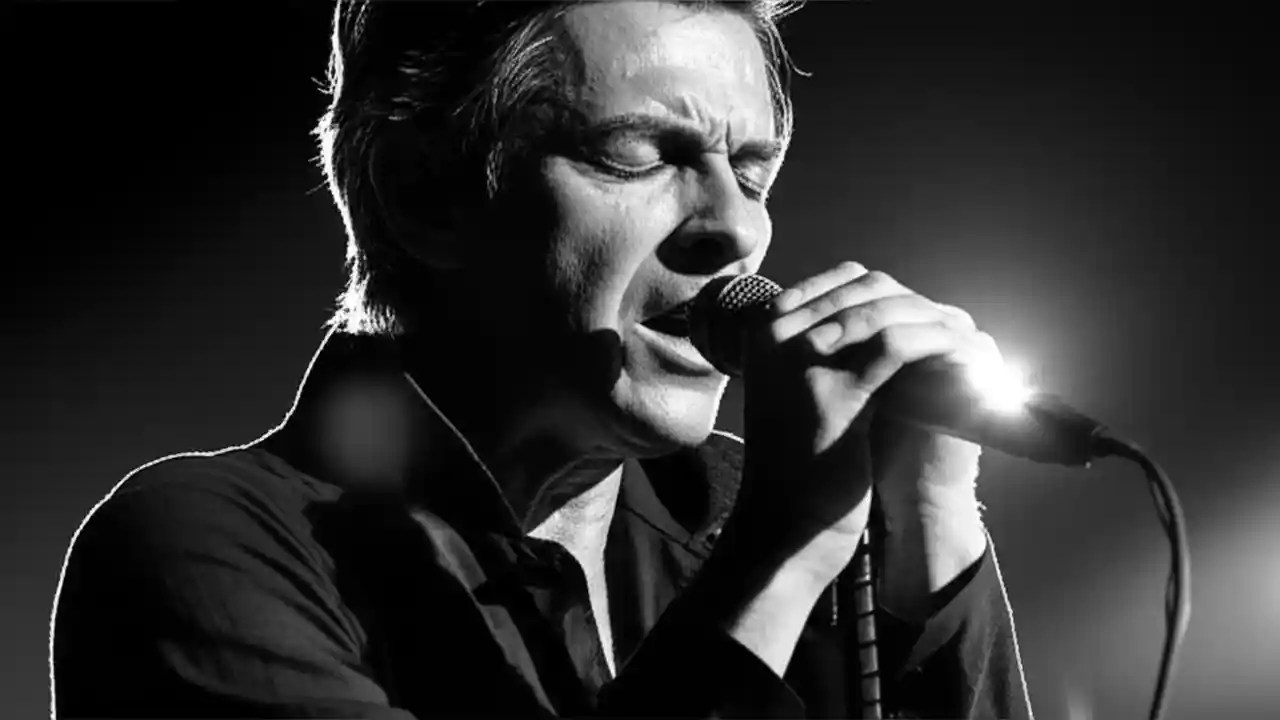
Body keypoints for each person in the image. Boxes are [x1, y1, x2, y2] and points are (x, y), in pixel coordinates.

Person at [51, 1, 1035, 717]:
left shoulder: (775, 507)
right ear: (423, 195)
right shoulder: (202, 551)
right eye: (642, 154)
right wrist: (773, 564)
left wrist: (933, 527)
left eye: (751, 170)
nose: (734, 229)